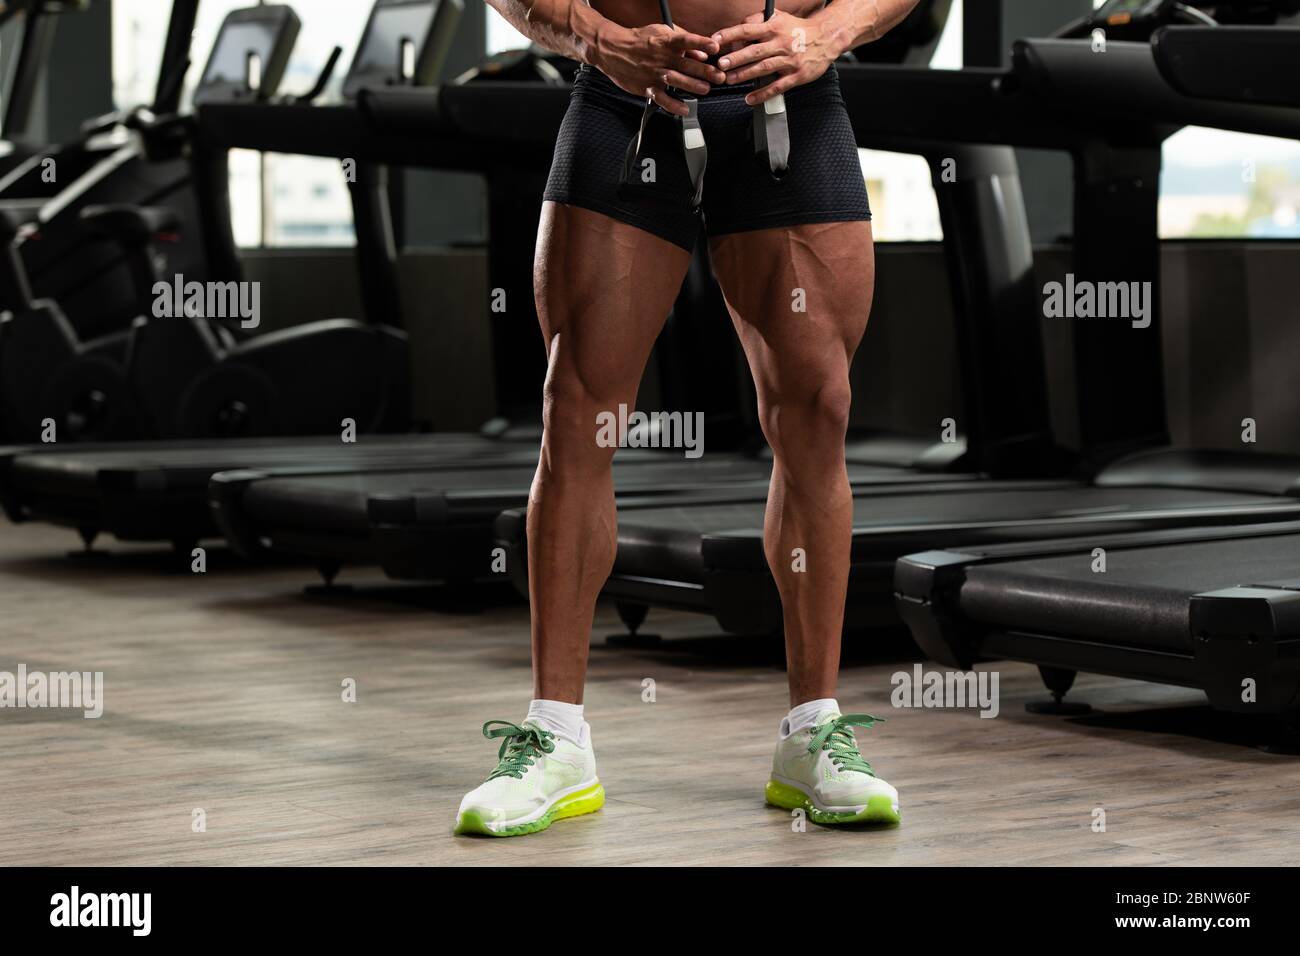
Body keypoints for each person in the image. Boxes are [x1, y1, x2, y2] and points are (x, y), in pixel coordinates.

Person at [454, 0, 920, 837]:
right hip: (625, 99)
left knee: (819, 407)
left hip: (787, 104)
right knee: (578, 408)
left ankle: (814, 733)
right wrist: (595, 36)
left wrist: (826, 32)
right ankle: (556, 738)